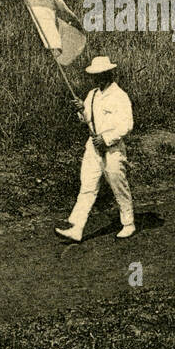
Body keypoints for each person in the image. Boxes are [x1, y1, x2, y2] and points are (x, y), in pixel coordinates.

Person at [56, 57, 136, 241]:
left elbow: (127, 125)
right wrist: (80, 109)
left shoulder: (119, 96)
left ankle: (128, 223)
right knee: (87, 187)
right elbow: (86, 119)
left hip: (113, 149)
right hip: (92, 148)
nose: (96, 79)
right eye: (94, 76)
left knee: (118, 185)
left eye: (100, 75)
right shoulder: (92, 94)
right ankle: (76, 227)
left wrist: (106, 139)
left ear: (108, 74)